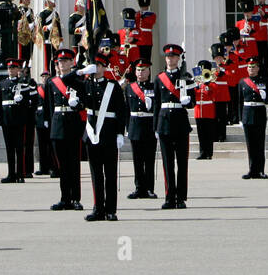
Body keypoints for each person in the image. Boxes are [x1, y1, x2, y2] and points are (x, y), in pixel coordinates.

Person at [80, 54, 129, 222]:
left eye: (99, 65)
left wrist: (119, 133)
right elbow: (68, 81)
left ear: (105, 67)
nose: (96, 68)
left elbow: (121, 111)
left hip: (108, 133)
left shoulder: (112, 86)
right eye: (94, 65)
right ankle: (97, 208)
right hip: (92, 134)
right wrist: (80, 72)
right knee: (96, 175)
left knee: (110, 174)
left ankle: (110, 210)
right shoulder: (85, 84)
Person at [152, 44, 193, 209]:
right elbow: (156, 105)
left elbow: (193, 101)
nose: (171, 59)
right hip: (164, 122)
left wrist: (188, 101)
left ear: (178, 59)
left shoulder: (186, 77)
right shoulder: (159, 78)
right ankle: (169, 196)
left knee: (182, 163)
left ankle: (181, 197)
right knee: (167, 163)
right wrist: (155, 127)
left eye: (174, 57)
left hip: (181, 122)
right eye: (168, 57)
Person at [45, 49, 86, 211]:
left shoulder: (78, 80)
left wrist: (79, 105)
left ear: (72, 63)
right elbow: (49, 106)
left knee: (74, 164)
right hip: (57, 125)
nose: (62, 64)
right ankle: (65, 198)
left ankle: (75, 198)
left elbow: (85, 101)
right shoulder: (51, 82)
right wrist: (48, 124)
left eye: (66, 61)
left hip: (73, 123)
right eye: (60, 61)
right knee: (61, 165)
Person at [124, 61, 158, 199]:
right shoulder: (130, 88)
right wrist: (127, 128)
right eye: (138, 70)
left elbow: (157, 108)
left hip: (149, 125)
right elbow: (126, 110)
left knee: (149, 159)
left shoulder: (154, 87)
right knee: (137, 160)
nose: (140, 73)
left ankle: (149, 188)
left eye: (143, 70)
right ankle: (139, 187)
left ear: (149, 72)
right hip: (135, 125)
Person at [0, 59, 33, 183]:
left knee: (19, 148)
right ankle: (11, 174)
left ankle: (20, 173)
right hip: (7, 120)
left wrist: (22, 100)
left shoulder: (23, 83)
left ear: (18, 69)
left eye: (14, 68)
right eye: (9, 68)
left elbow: (29, 102)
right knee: (9, 148)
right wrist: (0, 121)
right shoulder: (2, 84)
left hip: (19, 119)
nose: (11, 70)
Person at [238, 59, 268, 180]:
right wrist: (240, 119)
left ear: (258, 68)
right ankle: (252, 170)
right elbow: (240, 102)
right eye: (249, 67)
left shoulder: (264, 81)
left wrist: (264, 96)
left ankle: (261, 170)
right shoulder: (242, 82)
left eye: (253, 67)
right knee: (250, 145)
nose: (251, 69)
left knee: (259, 144)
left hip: (259, 113)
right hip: (247, 114)